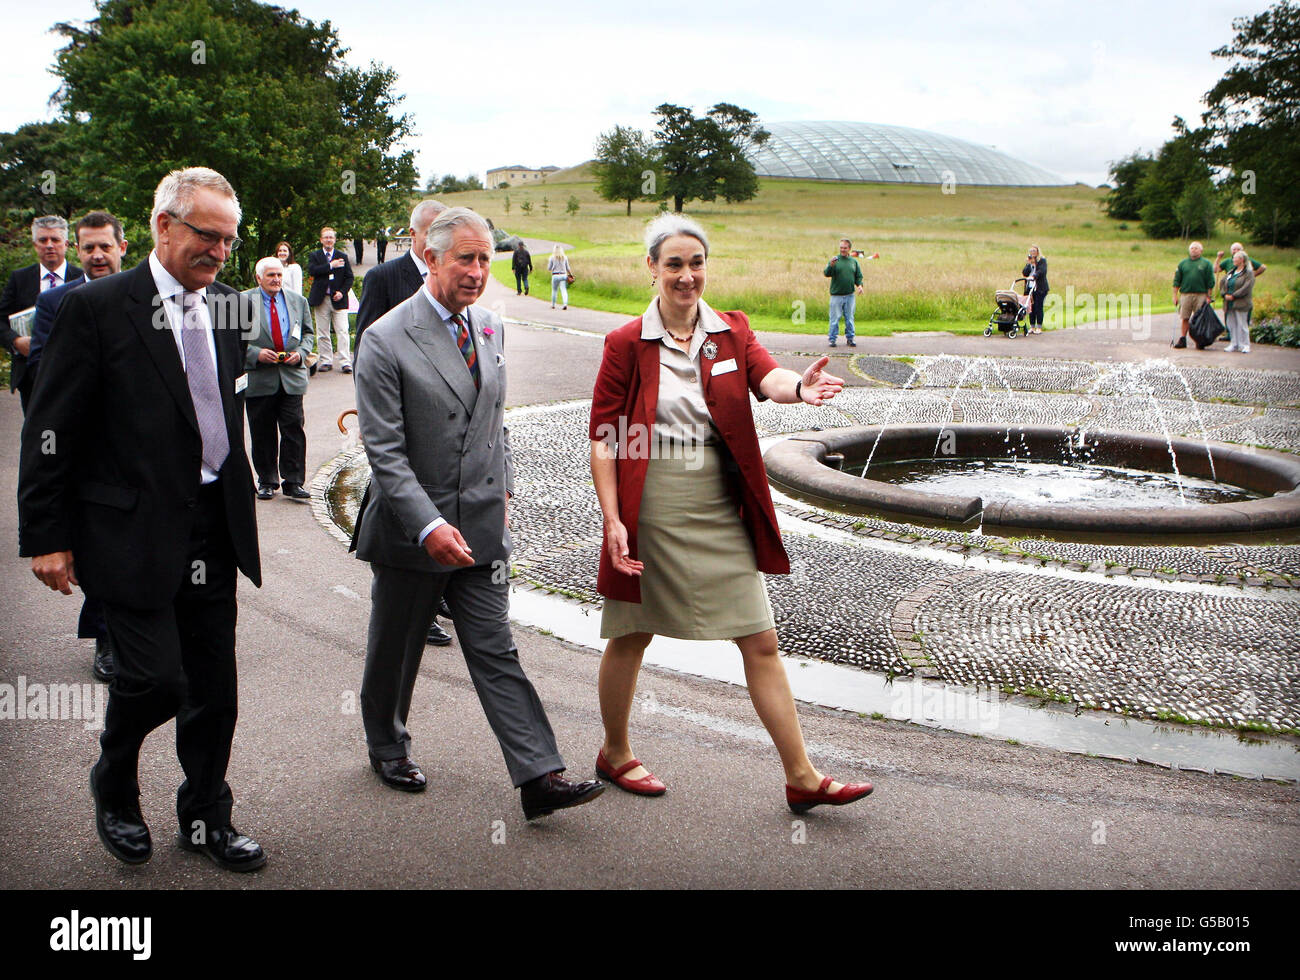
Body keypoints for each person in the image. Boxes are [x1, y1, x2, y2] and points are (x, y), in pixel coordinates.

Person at [18, 166, 266, 872]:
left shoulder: (228, 308)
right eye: (207, 236)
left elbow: (219, 410)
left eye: (230, 240)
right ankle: (114, 780)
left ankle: (207, 817)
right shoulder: (95, 309)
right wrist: (47, 536)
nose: (220, 252)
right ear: (163, 226)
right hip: (127, 534)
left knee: (215, 693)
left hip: (213, 526)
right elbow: (49, 427)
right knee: (157, 680)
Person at [588, 213, 873, 813]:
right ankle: (615, 752)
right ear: (652, 268)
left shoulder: (730, 332)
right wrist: (613, 520)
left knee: (760, 638)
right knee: (632, 632)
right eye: (674, 264)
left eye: (696, 263)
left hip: (720, 501)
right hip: (652, 499)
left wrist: (800, 389)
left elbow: (766, 376)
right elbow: (606, 438)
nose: (687, 276)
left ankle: (802, 775)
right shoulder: (625, 343)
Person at [350, 207, 604, 820]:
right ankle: (386, 744)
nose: (477, 271)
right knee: (398, 646)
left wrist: (506, 491)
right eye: (465, 258)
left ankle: (539, 776)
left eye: (486, 259)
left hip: (484, 526)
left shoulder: (490, 326)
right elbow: (384, 452)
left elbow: (495, 422)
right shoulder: (386, 338)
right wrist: (430, 526)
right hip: (416, 532)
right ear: (431, 258)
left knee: (496, 649)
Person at [27, 211, 130, 684]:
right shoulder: (56, 302)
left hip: (132, 446)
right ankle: (106, 638)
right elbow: (48, 374)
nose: (96, 255)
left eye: (104, 246)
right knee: (95, 548)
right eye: (87, 248)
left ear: (122, 247)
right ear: (78, 252)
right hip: (81, 450)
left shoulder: (141, 297)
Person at [352, 198, 454, 646]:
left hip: (446, 425)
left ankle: (438, 591)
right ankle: (409, 609)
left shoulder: (455, 277)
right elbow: (365, 352)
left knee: (446, 506)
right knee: (400, 507)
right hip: (399, 420)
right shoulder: (382, 278)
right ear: (413, 235)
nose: (436, 241)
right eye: (430, 233)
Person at [242, 256, 315, 499]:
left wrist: (301, 353)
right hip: (260, 378)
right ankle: (266, 480)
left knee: (293, 428)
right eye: (271, 275)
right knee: (262, 431)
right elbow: (231, 340)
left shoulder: (298, 301)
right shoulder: (242, 301)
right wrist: (255, 354)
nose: (276, 279)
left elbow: (308, 333)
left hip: (291, 376)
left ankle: (293, 481)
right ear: (259, 277)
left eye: (279, 275)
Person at [1, 216, 84, 412]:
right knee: (36, 435)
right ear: (34, 245)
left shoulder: (82, 278)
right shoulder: (19, 279)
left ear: (66, 244)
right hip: (31, 375)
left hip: (75, 371)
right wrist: (16, 342)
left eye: (55, 240)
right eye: (43, 240)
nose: (49, 246)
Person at [306, 225, 354, 373]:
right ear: (321, 240)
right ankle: (326, 360)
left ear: (334, 239)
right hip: (321, 299)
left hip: (338, 299)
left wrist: (342, 291)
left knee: (343, 331)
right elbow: (312, 271)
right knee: (322, 332)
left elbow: (349, 277)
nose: (328, 240)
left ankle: (345, 362)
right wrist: (330, 265)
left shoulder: (342, 256)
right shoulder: (315, 256)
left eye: (331, 237)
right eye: (326, 237)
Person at [1171, 241, 1215, 349]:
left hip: (1201, 294)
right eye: (1192, 248)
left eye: (1196, 248)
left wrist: (1209, 296)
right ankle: (1182, 339)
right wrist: (1175, 295)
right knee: (1185, 317)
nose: (1194, 250)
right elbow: (1177, 280)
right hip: (1186, 294)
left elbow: (1210, 281)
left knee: (1199, 318)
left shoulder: (1206, 263)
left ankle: (1199, 340)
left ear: (1201, 250)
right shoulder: (1183, 264)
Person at [824, 237, 863, 347]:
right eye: (841, 247)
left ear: (849, 249)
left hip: (850, 295)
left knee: (849, 318)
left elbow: (858, 277)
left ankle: (850, 338)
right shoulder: (835, 260)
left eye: (845, 248)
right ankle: (832, 339)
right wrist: (830, 266)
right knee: (834, 318)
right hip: (836, 295)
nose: (842, 250)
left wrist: (859, 286)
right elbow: (827, 273)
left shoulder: (853, 262)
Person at [1220, 249, 1255, 354]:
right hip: (1229, 303)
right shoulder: (1231, 272)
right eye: (1233, 257)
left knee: (1242, 324)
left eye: (1235, 258)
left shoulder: (1248, 273)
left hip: (1241, 303)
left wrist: (1234, 296)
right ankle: (1233, 343)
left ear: (1242, 260)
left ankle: (1245, 345)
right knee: (1231, 323)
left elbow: (1247, 287)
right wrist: (1224, 294)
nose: (1233, 259)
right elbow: (1223, 282)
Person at [1021, 244, 1049, 334]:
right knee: (1031, 308)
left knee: (1038, 307)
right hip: (1030, 288)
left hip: (1040, 288)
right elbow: (1025, 273)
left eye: (1034, 251)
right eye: (1031, 251)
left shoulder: (1042, 261)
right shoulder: (1030, 262)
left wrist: (1034, 276)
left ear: (1037, 252)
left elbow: (1042, 271)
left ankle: (1039, 327)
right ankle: (1032, 327)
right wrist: (1029, 264)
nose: (1032, 253)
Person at [548, 244, 571, 309]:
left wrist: (552, 267)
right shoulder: (565, 257)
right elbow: (568, 268)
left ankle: (553, 305)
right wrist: (570, 275)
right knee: (563, 290)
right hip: (563, 275)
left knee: (554, 290)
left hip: (555, 275)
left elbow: (549, 268)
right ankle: (565, 304)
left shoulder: (552, 257)